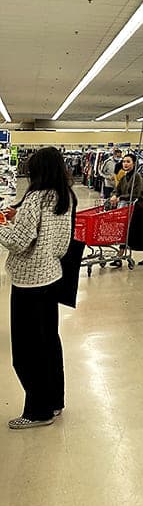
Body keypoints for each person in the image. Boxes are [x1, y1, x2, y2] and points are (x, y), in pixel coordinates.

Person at [0, 147, 75, 429]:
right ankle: (54, 401)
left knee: (26, 350)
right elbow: (61, 242)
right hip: (52, 277)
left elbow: (20, 241)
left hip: (28, 282)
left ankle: (37, 411)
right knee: (48, 343)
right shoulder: (65, 196)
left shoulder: (35, 198)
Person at [108, 153, 143, 267]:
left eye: (128, 162)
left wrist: (119, 198)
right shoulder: (124, 177)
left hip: (139, 209)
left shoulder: (137, 177)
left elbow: (135, 194)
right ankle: (119, 256)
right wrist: (114, 195)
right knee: (126, 232)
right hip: (128, 208)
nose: (125, 164)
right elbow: (117, 189)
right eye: (124, 161)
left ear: (134, 164)